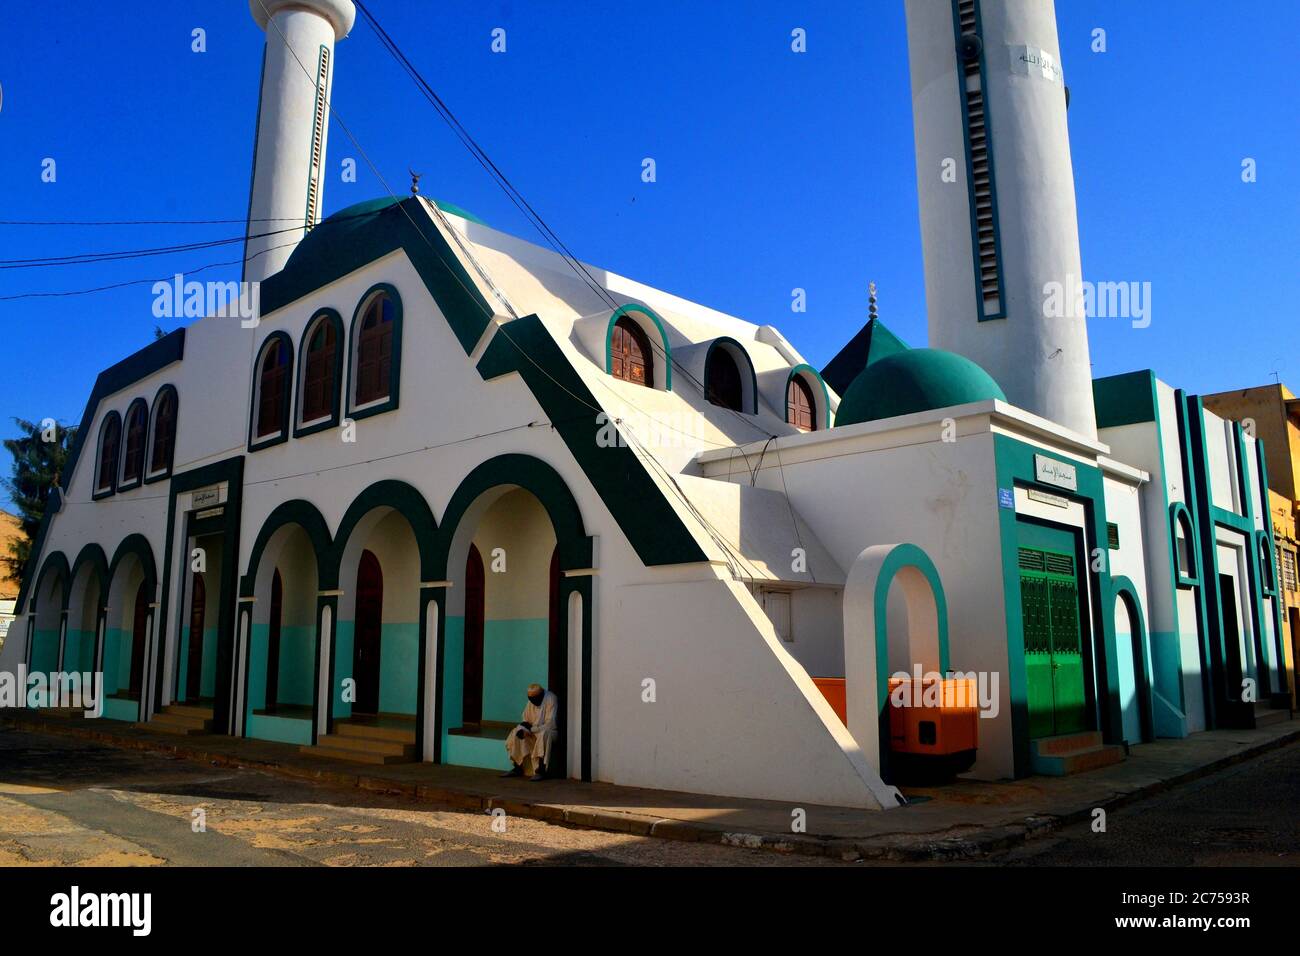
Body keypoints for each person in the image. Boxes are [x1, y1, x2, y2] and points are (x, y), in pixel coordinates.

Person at [501, 683, 558, 781]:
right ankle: (518, 768)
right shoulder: (531, 702)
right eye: (531, 699)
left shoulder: (551, 698)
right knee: (516, 732)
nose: (533, 702)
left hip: (550, 732)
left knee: (544, 734)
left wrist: (532, 729)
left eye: (535, 699)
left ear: (541, 695)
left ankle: (541, 770)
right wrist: (523, 730)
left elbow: (551, 724)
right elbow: (525, 720)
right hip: (534, 730)